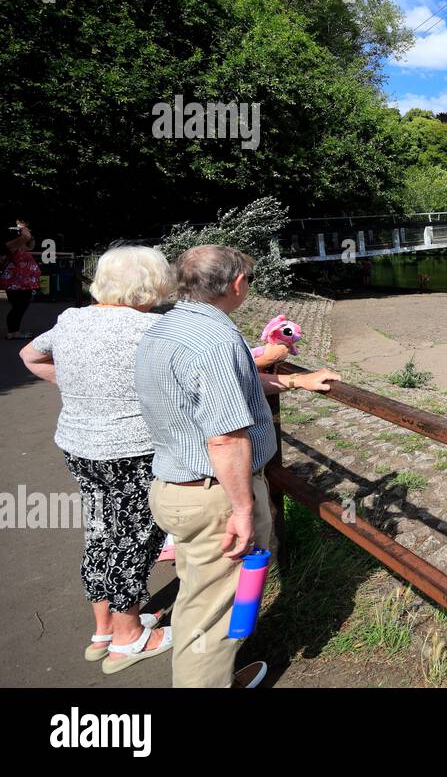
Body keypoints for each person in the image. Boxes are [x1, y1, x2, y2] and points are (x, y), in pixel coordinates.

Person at [134, 244, 339, 688]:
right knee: (215, 613)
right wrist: (243, 510)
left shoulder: (165, 327)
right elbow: (226, 435)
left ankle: (218, 679)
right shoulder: (216, 339)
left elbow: (227, 383)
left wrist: (294, 380)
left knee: (198, 599)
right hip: (217, 497)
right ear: (237, 284)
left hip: (176, 486)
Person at [19, 246, 176, 673]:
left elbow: (29, 356)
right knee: (136, 537)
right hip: (130, 450)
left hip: (79, 446)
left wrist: (76, 385)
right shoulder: (152, 329)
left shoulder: (72, 320)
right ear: (153, 283)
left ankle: (103, 629)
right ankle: (130, 638)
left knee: (102, 530)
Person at [3, 220, 42, 339]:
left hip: (23, 282)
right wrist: (23, 228)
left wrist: (30, 236)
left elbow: (30, 245)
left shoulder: (20, 245)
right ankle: (13, 332)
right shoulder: (10, 244)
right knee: (18, 307)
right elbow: (25, 237)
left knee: (20, 307)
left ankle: (14, 331)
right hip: (15, 282)